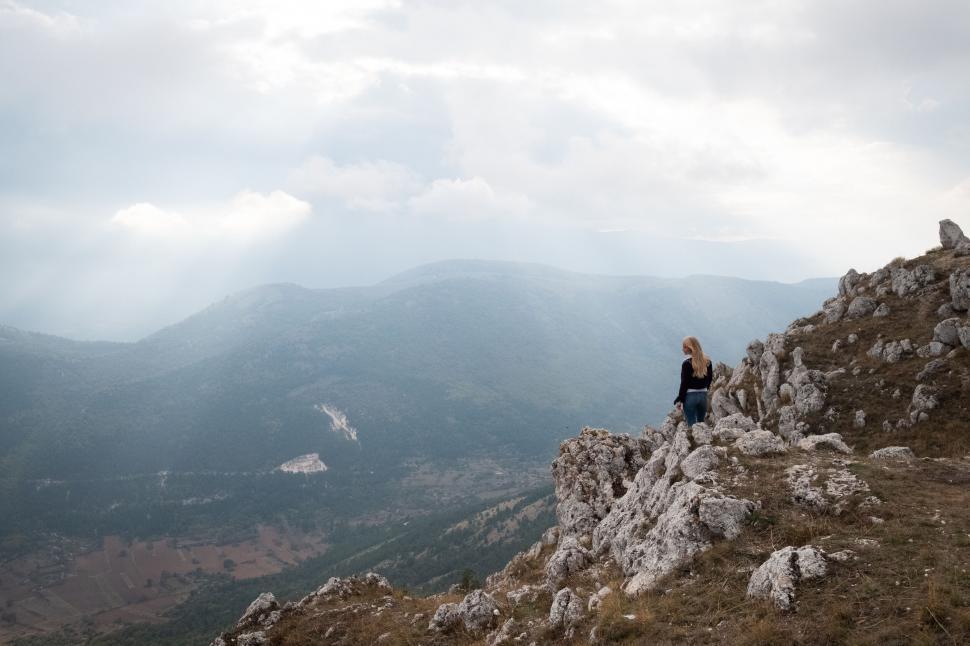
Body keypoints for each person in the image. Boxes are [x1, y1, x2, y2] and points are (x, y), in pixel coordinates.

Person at [673, 336, 713, 426]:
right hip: (703, 396)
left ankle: (695, 439)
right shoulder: (708, 362)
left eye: (684, 347)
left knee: (692, 424)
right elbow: (710, 379)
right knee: (701, 423)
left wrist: (680, 399)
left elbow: (684, 383)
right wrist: (704, 390)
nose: (682, 349)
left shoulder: (686, 364)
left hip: (690, 397)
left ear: (691, 348)